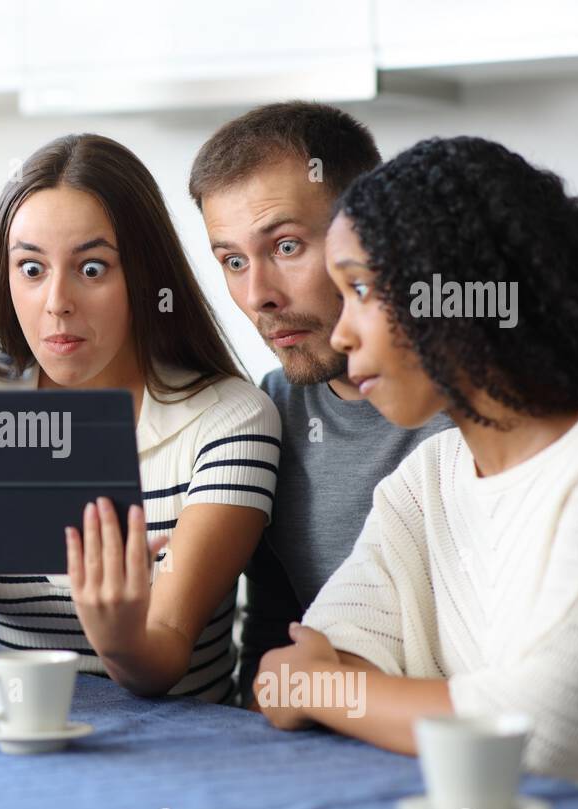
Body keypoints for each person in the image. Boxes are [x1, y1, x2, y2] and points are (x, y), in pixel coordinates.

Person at [257, 136, 578, 798]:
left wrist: (330, 688)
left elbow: (540, 727)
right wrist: (336, 685)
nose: (341, 333)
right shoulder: (427, 482)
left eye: (361, 288)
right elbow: (300, 673)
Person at [0, 133, 281, 704]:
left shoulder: (231, 420)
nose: (56, 302)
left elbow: (164, 655)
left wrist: (117, 633)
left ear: (144, 277)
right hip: (15, 737)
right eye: (30, 269)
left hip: (179, 753)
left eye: (92, 268)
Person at [188, 101, 453, 705]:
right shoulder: (268, 411)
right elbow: (272, 639)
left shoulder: (474, 406)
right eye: (232, 261)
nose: (258, 296)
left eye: (285, 247)